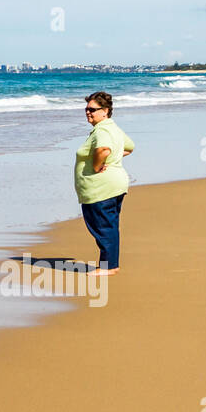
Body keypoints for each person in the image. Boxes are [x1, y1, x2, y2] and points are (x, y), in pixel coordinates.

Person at [75, 91, 134, 275]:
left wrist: (97, 164)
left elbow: (103, 149)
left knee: (103, 227)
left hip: (102, 188)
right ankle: (111, 264)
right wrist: (113, 157)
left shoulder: (102, 130)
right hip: (114, 185)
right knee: (109, 226)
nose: (88, 112)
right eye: (86, 109)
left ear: (105, 111)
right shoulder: (113, 128)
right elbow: (129, 147)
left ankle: (109, 267)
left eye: (92, 109)